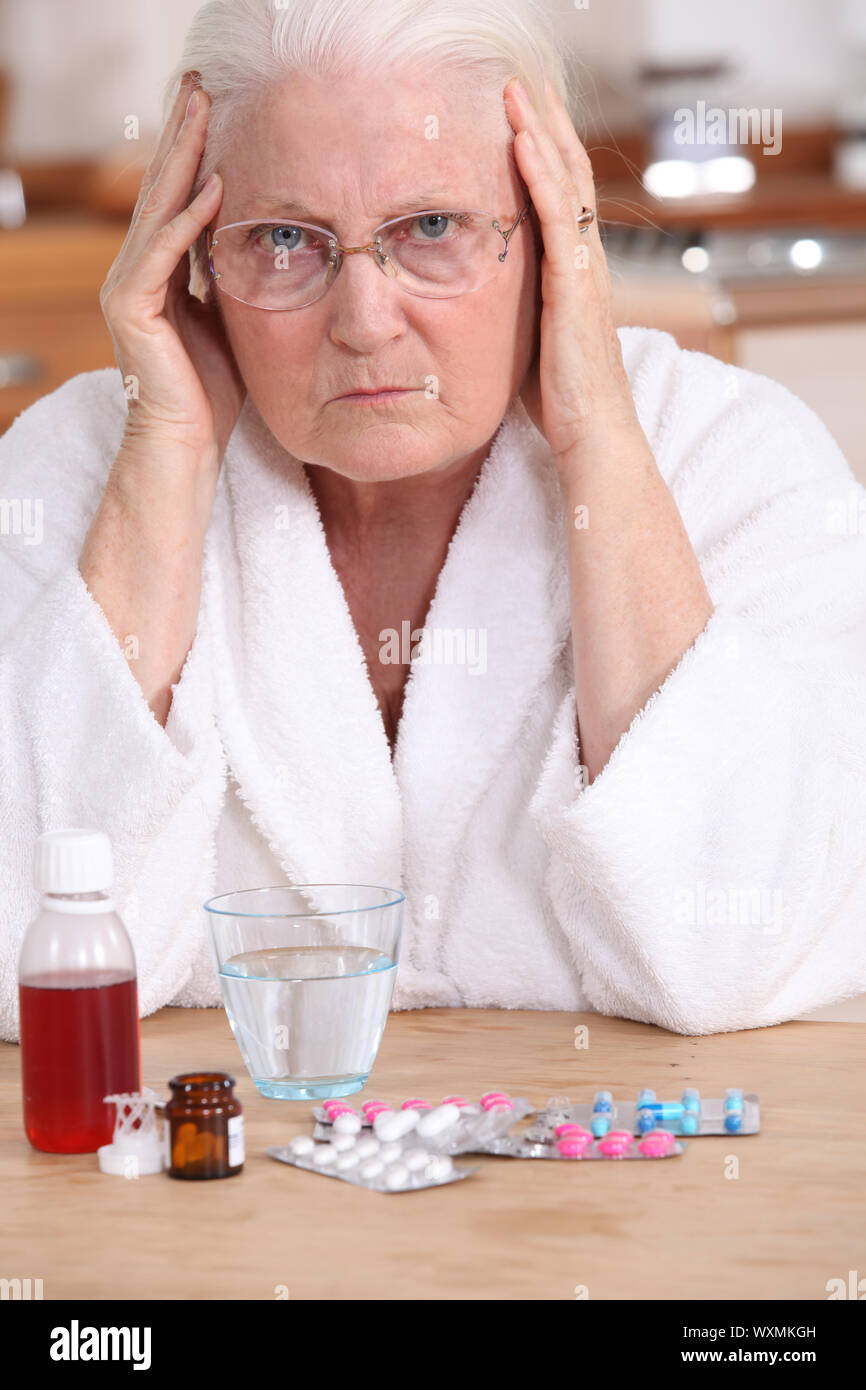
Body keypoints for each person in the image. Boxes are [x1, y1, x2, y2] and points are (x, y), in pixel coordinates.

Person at [2, 0, 865, 1040]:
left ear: (548, 228)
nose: (364, 322)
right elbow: (26, 960)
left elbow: (728, 954)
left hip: (626, 1194)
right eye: (283, 239)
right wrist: (167, 455)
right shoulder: (77, 466)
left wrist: (600, 440)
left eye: (431, 228)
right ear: (192, 257)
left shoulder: (729, 457)